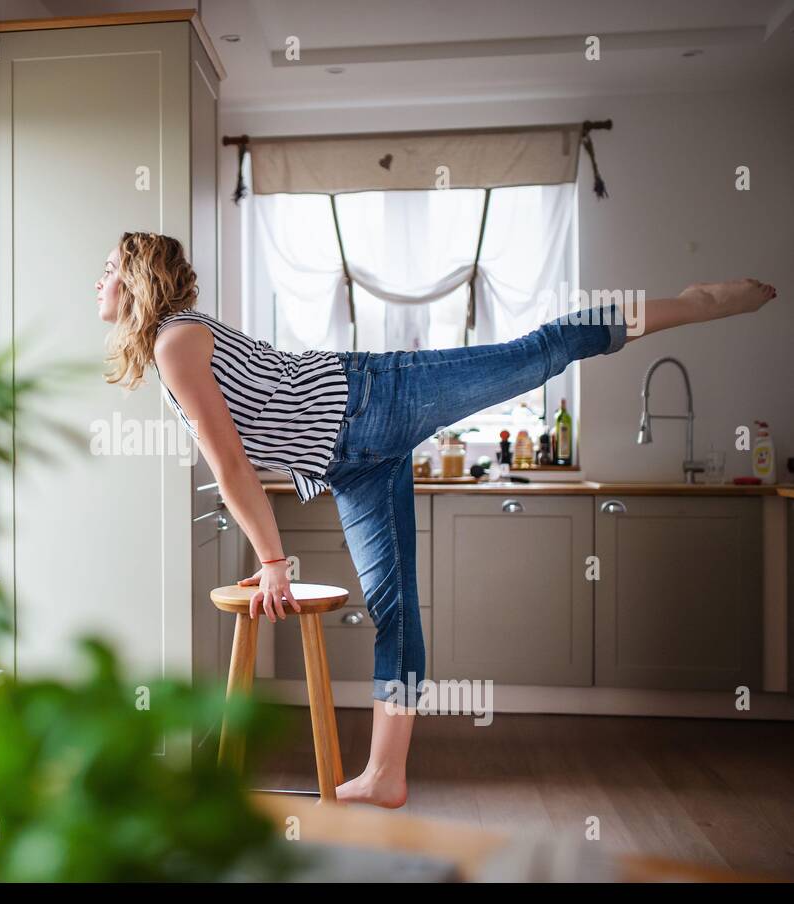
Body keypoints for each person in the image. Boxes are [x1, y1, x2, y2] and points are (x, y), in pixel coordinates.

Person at [98, 229, 778, 808]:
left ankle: (692, 304)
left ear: (133, 281)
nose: (98, 282)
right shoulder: (174, 348)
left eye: (107, 271)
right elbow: (251, 445)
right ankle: (386, 774)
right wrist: (266, 556)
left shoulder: (174, 341)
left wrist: (274, 561)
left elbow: (231, 467)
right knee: (395, 609)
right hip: (353, 462)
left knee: (538, 351)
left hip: (379, 395)